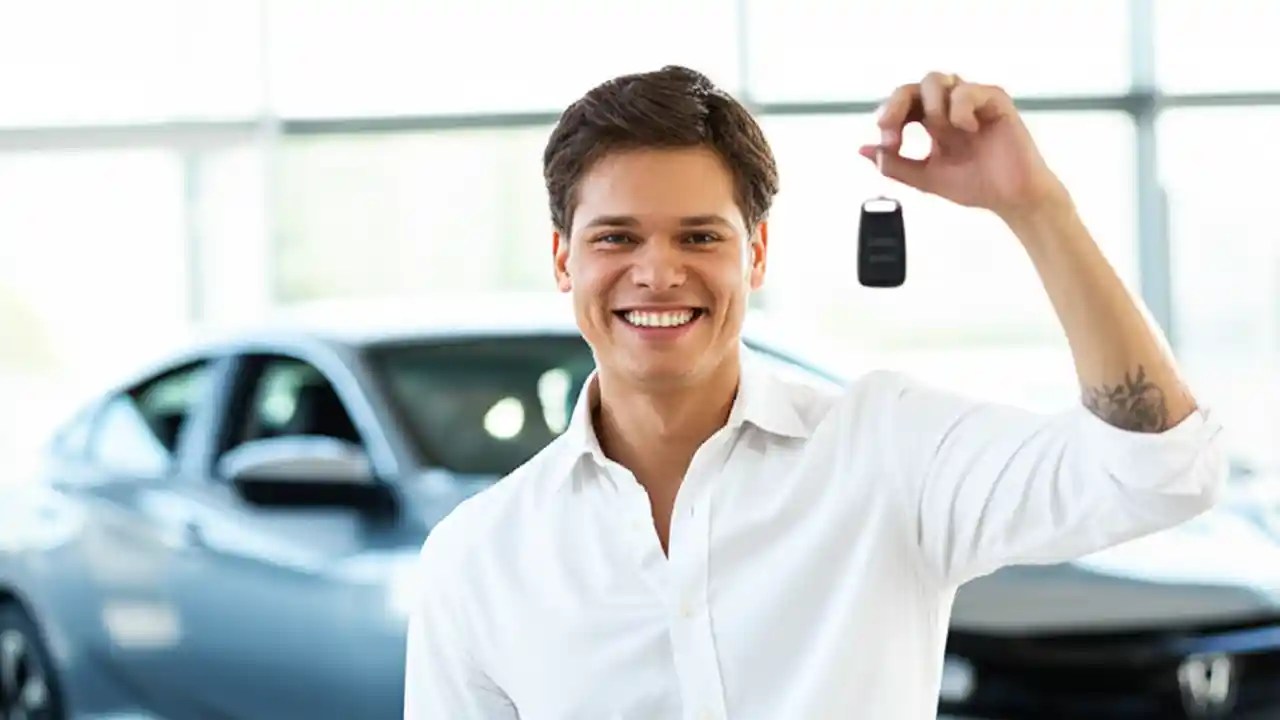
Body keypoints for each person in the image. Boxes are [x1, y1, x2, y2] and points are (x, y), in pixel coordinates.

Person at [403, 65, 1226, 719]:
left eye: (700, 236)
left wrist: (1037, 208)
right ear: (562, 260)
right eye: (616, 237)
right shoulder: (478, 557)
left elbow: (1161, 471)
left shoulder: (887, 453)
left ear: (755, 255)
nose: (657, 271)